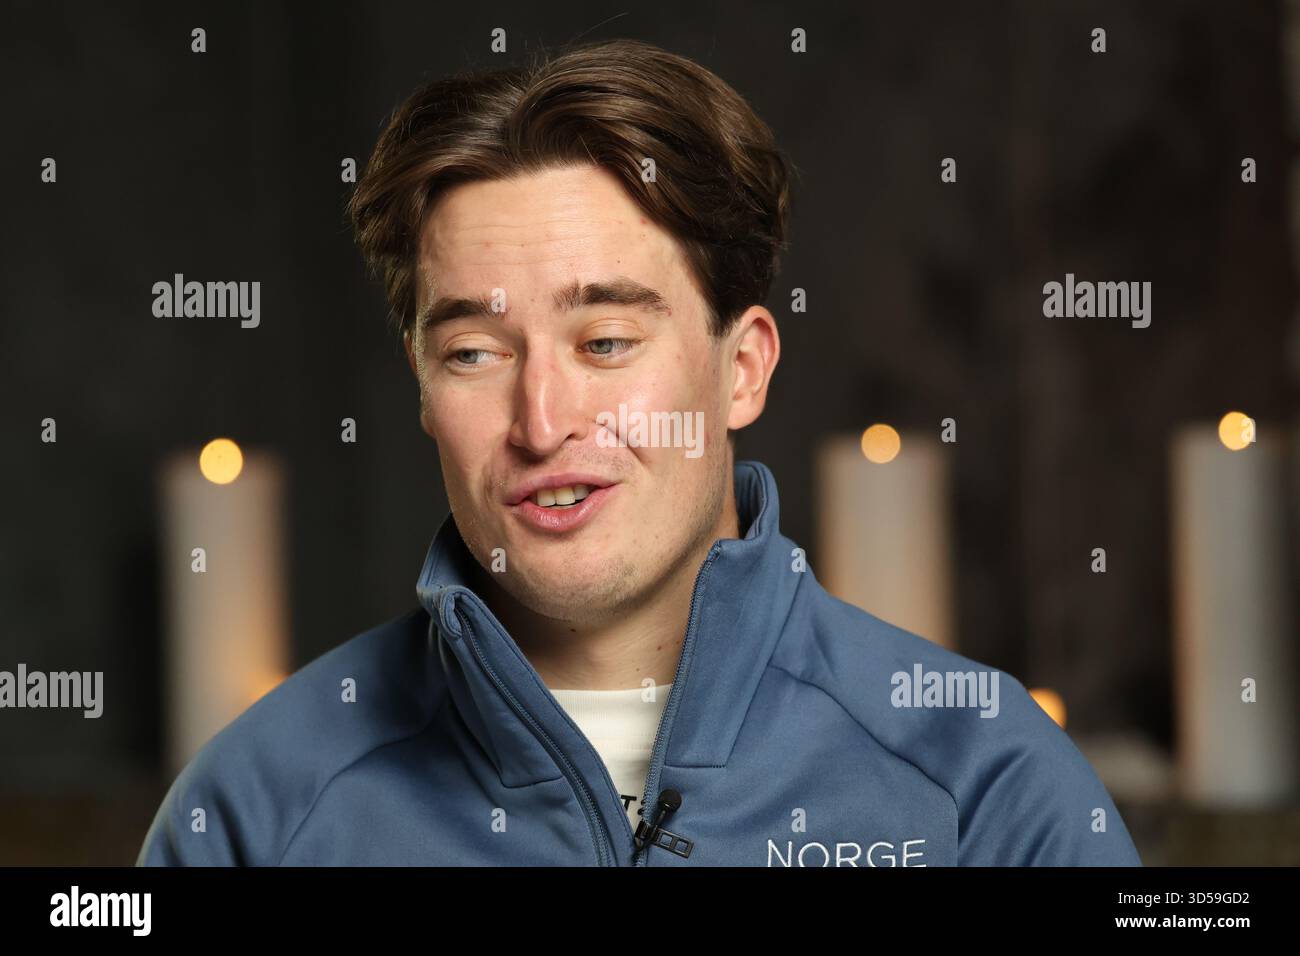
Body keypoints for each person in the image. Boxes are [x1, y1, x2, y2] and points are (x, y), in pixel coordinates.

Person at [137, 38, 1141, 866]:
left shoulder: (985, 786)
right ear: (421, 385)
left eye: (605, 342)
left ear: (740, 368)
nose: (541, 421)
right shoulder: (255, 811)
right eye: (474, 352)